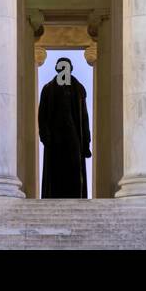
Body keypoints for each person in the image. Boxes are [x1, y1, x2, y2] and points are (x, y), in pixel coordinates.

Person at [38, 57, 91, 198]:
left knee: (73, 167)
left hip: (74, 136)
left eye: (66, 67)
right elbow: (42, 116)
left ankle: (75, 197)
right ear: (57, 69)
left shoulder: (79, 89)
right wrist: (45, 136)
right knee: (56, 169)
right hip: (55, 138)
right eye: (61, 67)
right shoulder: (48, 89)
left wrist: (86, 142)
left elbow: (84, 117)